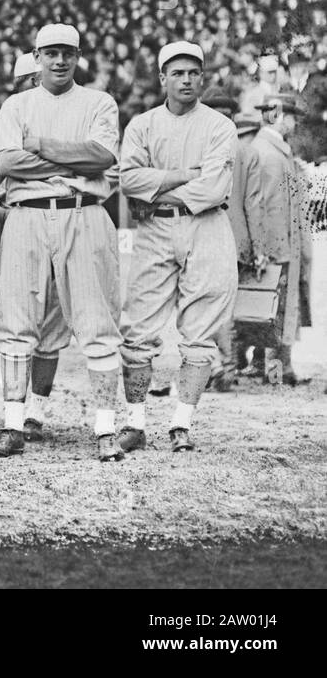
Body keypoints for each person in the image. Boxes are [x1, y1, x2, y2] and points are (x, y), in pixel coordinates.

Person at [0, 24, 125, 462]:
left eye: (67, 52)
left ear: (78, 55)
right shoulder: (17, 104)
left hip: (84, 214)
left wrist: (42, 147)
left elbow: (103, 156)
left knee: (96, 321)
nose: (59, 61)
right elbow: (7, 161)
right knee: (15, 321)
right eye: (50, 53)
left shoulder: (99, 101)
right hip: (26, 217)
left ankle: (105, 429)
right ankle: (12, 425)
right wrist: (71, 160)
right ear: (36, 56)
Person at [117, 43, 237, 453]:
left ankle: (181, 423)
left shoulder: (220, 126)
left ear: (202, 78)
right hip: (154, 231)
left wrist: (157, 187)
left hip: (207, 226)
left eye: (193, 73)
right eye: (178, 72)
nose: (186, 80)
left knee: (200, 330)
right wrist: (184, 176)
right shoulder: (142, 124)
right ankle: (134, 423)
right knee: (137, 329)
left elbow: (214, 187)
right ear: (163, 78)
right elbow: (128, 180)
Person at [0, 50, 71, 443]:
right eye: (30, 82)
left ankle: (34, 413)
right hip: (0, 226)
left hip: (53, 225)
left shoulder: (67, 120)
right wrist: (1, 212)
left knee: (50, 316)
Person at [237, 93, 309, 385]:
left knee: (274, 310)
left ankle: (270, 367)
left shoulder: (270, 149)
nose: (293, 123)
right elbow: (259, 204)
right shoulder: (267, 152)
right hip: (276, 246)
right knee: (273, 311)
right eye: (290, 116)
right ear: (277, 115)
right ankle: (275, 370)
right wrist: (263, 248)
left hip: (279, 243)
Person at [198, 86, 261, 391]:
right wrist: (257, 247)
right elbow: (254, 204)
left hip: (199, 235)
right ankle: (226, 365)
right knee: (227, 308)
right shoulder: (247, 152)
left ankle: (212, 365)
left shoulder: (195, 147)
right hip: (235, 239)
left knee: (199, 305)